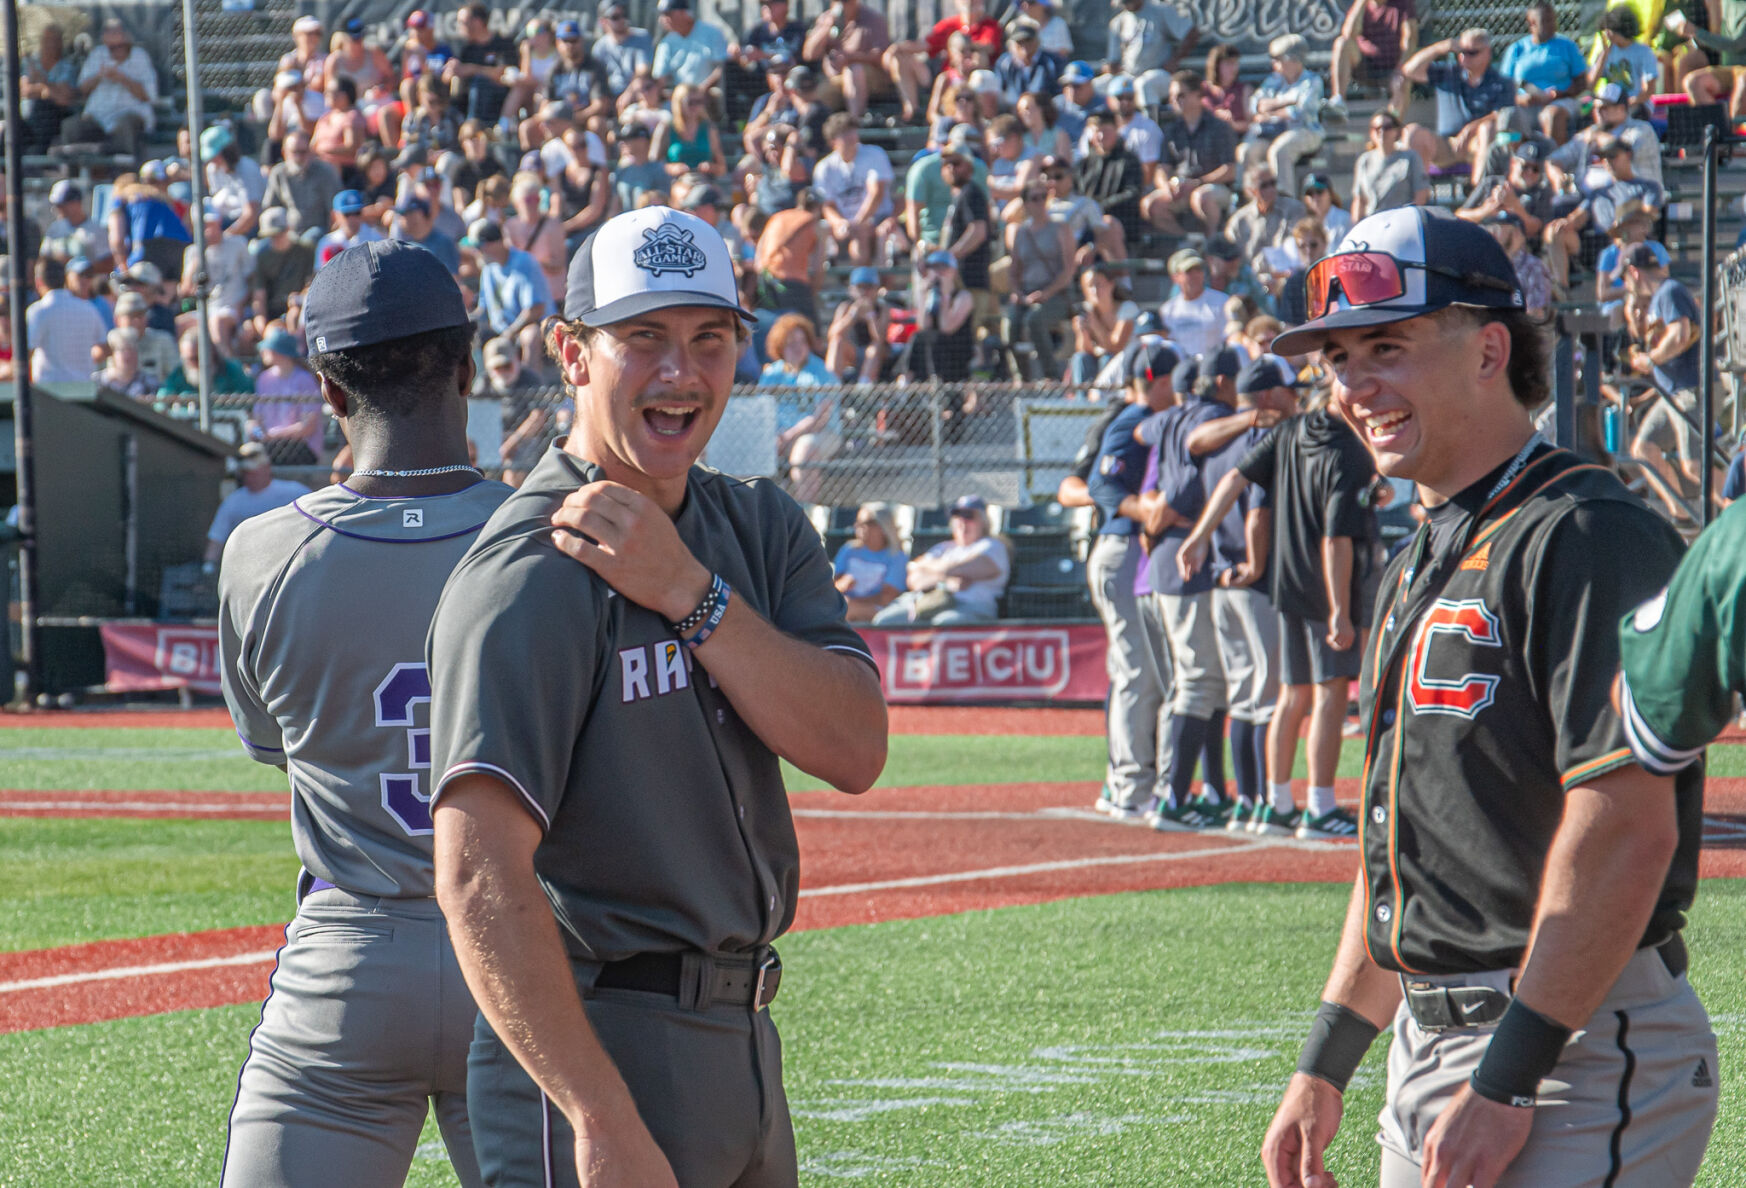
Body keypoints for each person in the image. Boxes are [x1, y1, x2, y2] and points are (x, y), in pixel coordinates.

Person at [426, 204, 885, 1188]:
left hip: (745, 1041)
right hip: (604, 1042)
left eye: (709, 340)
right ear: (573, 354)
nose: (681, 373)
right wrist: (597, 1115)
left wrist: (691, 594)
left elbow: (854, 747)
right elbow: (476, 873)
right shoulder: (529, 570)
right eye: (644, 340)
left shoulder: (756, 527)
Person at [1258, 203, 1715, 1188]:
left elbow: (1626, 831)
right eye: (1338, 358)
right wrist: (1328, 1060)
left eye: (1386, 346)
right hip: (1431, 1050)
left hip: (1572, 1050)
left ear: (1488, 349)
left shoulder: (1587, 534)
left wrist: (1509, 1080)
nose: (1354, 384)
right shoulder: (1421, 550)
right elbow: (1409, 847)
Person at [217, 242, 506, 1188]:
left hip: (345, 961)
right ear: (468, 364)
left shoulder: (262, 551)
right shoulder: (556, 531)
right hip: (527, 959)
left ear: (329, 394)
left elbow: (272, 744)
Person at [1179, 258, 1380, 840]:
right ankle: (1318, 806)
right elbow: (1337, 535)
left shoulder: (1287, 434)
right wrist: (1342, 608)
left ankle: (1276, 804)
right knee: (1327, 698)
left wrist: (1197, 535)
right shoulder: (1344, 449)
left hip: (1286, 585)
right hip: (1325, 585)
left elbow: (1231, 483)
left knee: (1290, 697)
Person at [1181, 354, 1296, 823]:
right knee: (1264, 695)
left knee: (1245, 694)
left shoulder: (1221, 441)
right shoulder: (1266, 437)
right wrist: (1257, 562)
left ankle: (1248, 800)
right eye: (1290, 390)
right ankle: (1264, 800)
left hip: (1220, 576)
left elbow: (1196, 444)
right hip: (1254, 577)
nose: (1296, 399)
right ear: (1269, 395)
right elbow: (1258, 512)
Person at [1087, 338, 1183, 818]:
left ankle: (1127, 782)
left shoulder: (1140, 416)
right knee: (1137, 673)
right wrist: (1140, 507)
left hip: (1126, 553)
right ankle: (1128, 787)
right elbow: (1101, 483)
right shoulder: (1133, 418)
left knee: (1143, 671)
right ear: (1160, 382)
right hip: (1122, 550)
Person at [1622, 243, 1710, 524]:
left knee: (1696, 466)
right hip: (1673, 393)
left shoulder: (1669, 290)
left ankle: (1738, 511)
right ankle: (1684, 519)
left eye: (1623, 278)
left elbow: (1679, 335)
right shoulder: (1658, 297)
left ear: (1633, 272)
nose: (1624, 285)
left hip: (1691, 389)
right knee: (1643, 449)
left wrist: (1651, 359)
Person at [873, 495, 1010, 625]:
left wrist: (926, 567)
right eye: (957, 515)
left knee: (943, 623)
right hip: (927, 602)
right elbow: (913, 579)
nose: (962, 521)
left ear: (983, 521)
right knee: (884, 620)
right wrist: (947, 581)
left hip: (971, 607)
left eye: (969, 515)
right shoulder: (943, 548)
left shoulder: (993, 546)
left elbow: (956, 568)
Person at [1400, 28, 1514, 175]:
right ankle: (1417, 194)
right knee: (1413, 132)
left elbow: (1502, 114)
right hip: (1446, 144)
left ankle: (1480, 193)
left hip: (1476, 142)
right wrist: (1439, 48)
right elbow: (1409, 70)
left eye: (1472, 53)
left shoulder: (1501, 82)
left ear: (1487, 53)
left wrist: (1471, 129)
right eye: (1461, 52)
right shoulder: (1448, 73)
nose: (1464, 57)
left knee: (1487, 130)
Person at [1143, 70, 1236, 236]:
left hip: (1213, 187)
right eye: (1171, 96)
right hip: (1180, 188)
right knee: (1150, 205)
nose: (1174, 101)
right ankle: (1189, 241)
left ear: (1197, 95)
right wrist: (1167, 187)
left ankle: (1211, 242)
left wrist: (1197, 182)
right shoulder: (1172, 129)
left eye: (1180, 95)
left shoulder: (1219, 127)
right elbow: (1162, 168)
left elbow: (1230, 170)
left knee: (1202, 197)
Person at [761, 312, 840, 501]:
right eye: (791, 342)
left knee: (805, 449)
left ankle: (805, 512)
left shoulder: (820, 372)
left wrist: (788, 436)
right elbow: (761, 414)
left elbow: (822, 417)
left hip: (821, 434)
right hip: (778, 438)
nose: (798, 347)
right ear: (780, 345)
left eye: (802, 341)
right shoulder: (771, 374)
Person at [885, 0, 1003, 124]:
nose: (969, 3)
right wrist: (896, 48)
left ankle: (978, 118)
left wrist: (964, 47)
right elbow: (926, 45)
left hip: (974, 84)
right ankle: (912, 111)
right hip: (951, 81)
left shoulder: (989, 26)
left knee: (980, 69)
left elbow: (989, 48)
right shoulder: (945, 78)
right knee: (901, 57)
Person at [1004, 181, 1074, 380]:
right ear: (1025, 203)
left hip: (1056, 295)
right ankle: (1021, 378)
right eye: (1035, 198)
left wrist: (1046, 294)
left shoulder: (1061, 228)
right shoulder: (1021, 232)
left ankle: (1050, 376)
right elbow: (1014, 270)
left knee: (1034, 320)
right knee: (1009, 324)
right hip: (1027, 293)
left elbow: (1069, 270)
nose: (1041, 202)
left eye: (1044, 197)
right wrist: (1018, 293)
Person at [1240, 36, 1325, 199]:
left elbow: (1300, 112)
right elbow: (1255, 104)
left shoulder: (1312, 80)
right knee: (1248, 151)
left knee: (1279, 151)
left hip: (1306, 131)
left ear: (1293, 59)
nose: (1274, 63)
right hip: (1272, 132)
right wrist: (1286, 102)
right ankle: (1252, 199)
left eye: (1278, 59)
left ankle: (1284, 200)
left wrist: (1271, 110)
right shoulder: (1274, 79)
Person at [63, 19, 156, 161]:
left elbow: (148, 96)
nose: (117, 50)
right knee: (72, 127)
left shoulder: (140, 56)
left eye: (121, 46)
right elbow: (82, 90)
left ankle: (123, 172)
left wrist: (123, 79)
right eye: (112, 47)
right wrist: (99, 77)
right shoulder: (97, 55)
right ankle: (79, 177)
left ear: (127, 40)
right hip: (97, 120)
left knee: (127, 126)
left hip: (128, 119)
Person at [1499, 2, 1591, 144]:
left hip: (1561, 101)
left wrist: (1561, 93)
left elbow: (1582, 82)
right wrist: (1520, 99)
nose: (1552, 24)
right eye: (1546, 20)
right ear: (1532, 23)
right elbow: (1504, 87)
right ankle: (1516, 162)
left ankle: (1552, 160)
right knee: (1509, 116)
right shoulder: (1517, 49)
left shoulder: (1567, 46)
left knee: (1551, 114)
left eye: (1553, 19)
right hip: (1526, 105)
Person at [204, 443, 306, 567]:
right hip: (249, 563)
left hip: (289, 560)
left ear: (267, 467)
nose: (248, 477)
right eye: (245, 472)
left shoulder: (295, 491)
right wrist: (208, 567)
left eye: (253, 472)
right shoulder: (233, 501)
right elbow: (216, 538)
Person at [814, 113, 895, 267]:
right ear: (833, 141)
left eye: (852, 130)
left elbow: (876, 193)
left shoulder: (874, 154)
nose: (851, 136)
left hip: (877, 219)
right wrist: (840, 223)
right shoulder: (824, 168)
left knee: (862, 235)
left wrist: (858, 222)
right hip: (844, 224)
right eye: (844, 133)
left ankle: (867, 284)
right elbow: (827, 205)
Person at [802, 0, 892, 122]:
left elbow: (881, 56)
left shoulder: (873, 19)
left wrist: (850, 58)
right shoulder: (827, 19)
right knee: (815, 97)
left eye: (846, 1)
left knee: (853, 69)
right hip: (837, 80)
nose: (842, 5)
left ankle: (854, 122)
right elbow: (809, 54)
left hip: (869, 76)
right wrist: (826, 27)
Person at [26, 257, 107, 385]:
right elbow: (104, 348)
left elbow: (25, 355)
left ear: (39, 282)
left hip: (48, 392)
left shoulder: (38, 311)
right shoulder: (89, 309)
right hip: (84, 391)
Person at [1104, 0, 1199, 109]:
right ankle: (1104, 123)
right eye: (1123, 2)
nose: (1127, 4)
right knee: (1098, 85)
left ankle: (1151, 123)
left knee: (1144, 84)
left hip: (1160, 73)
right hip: (1129, 75)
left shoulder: (1160, 10)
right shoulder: (1118, 21)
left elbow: (1191, 33)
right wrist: (1111, 67)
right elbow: (1113, 61)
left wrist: (1175, 59)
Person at [251, 328, 324, 466]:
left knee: (262, 458)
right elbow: (257, 418)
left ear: (280, 353)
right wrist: (256, 431)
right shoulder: (264, 378)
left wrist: (274, 435)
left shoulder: (304, 379)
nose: (263, 352)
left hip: (301, 446)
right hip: (270, 444)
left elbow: (308, 427)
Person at [1328, 0, 1417, 114]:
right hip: (1364, 66)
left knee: (1404, 79)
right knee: (1342, 43)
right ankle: (1338, 103)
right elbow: (1348, 34)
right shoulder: (1361, 5)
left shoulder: (1403, 3)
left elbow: (1410, 38)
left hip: (1393, 67)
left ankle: (1393, 124)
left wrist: (1400, 69)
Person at [904, 249, 976, 382]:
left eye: (942, 268)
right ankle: (907, 380)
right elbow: (923, 325)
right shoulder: (930, 295)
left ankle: (936, 381)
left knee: (937, 338)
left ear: (953, 271)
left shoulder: (964, 296)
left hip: (957, 348)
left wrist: (946, 296)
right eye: (933, 268)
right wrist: (923, 297)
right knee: (918, 337)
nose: (937, 272)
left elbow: (946, 327)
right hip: (933, 347)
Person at [443, 3, 518, 126]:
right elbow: (447, 78)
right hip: (465, 97)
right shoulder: (466, 48)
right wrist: (451, 72)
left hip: (496, 96)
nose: (459, 27)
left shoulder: (502, 44)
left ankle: (473, 126)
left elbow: (504, 74)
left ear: (477, 22)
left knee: (479, 82)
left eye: (462, 22)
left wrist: (473, 69)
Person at [1351, 108, 1430, 221]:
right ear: (1371, 132)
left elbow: (1421, 194)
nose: (1382, 132)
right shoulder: (1364, 161)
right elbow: (1359, 200)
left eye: (1387, 127)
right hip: (1373, 222)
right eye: (1377, 128)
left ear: (1396, 131)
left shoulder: (1410, 158)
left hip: (1401, 221)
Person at [833, 502, 907, 621]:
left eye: (867, 523)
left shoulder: (896, 557)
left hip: (880, 610)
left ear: (883, 526)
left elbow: (887, 597)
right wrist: (842, 584)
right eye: (858, 522)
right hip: (846, 605)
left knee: (847, 609)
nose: (859, 527)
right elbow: (833, 586)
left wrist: (852, 602)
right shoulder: (848, 550)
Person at [263, 131, 345, 237]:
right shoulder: (278, 173)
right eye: (294, 152)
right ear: (284, 153)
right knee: (259, 249)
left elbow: (335, 210)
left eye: (303, 152)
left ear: (310, 152)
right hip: (287, 234)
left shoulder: (325, 172)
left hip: (319, 232)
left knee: (310, 238)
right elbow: (270, 208)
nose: (299, 157)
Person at [1226, 168, 1307, 268]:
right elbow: (1234, 256)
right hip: (1251, 277)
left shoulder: (1294, 209)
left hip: (1286, 272)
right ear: (1251, 191)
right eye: (1263, 186)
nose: (1270, 189)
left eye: (1273, 183)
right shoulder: (1239, 220)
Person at [652, 0, 731, 99]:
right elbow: (659, 78)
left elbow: (722, 68)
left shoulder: (712, 32)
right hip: (679, 98)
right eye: (662, 15)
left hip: (709, 96)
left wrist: (700, 91)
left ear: (684, 12)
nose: (663, 19)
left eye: (668, 14)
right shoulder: (666, 43)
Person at [825, 265, 892, 382]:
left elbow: (879, 338)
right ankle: (832, 384)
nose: (864, 292)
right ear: (852, 289)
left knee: (874, 348)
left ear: (876, 290)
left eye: (869, 287)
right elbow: (832, 334)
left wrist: (871, 316)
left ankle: (864, 386)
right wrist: (852, 315)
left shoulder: (882, 309)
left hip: (875, 356)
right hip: (852, 352)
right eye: (860, 287)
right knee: (837, 341)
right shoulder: (845, 307)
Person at [1161, 249, 1229, 359]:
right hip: (1182, 370)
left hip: (1213, 367)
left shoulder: (1222, 302)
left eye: (1198, 269)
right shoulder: (1167, 310)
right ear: (1175, 277)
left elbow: (1230, 339)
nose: (1195, 275)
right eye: (1188, 271)